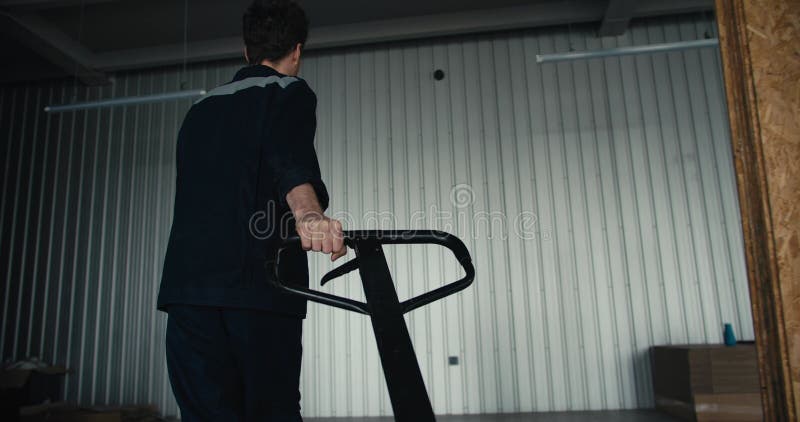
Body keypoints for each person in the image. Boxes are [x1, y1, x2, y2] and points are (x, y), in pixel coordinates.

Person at [157, 1, 344, 420]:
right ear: (296, 51)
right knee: (270, 411)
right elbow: (287, 154)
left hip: (188, 293)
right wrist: (309, 215)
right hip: (257, 287)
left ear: (246, 50)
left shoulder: (199, 110)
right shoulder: (287, 91)